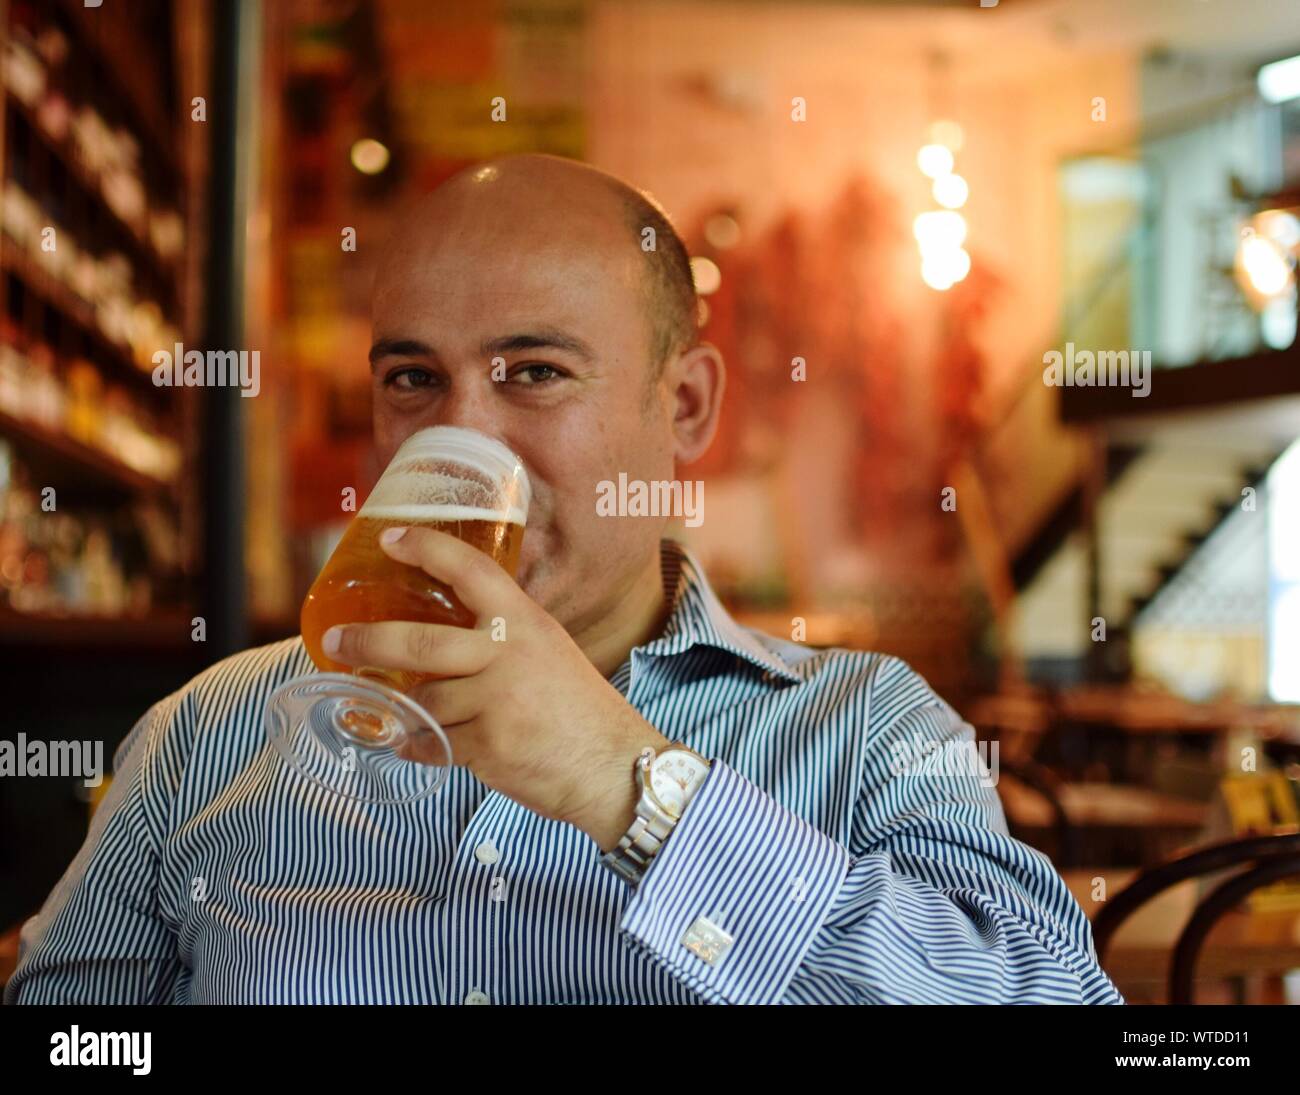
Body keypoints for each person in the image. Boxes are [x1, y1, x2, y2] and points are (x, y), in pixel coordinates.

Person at [5, 154, 1122, 1004]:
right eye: (412, 378)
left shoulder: (866, 727)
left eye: (534, 373)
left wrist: (628, 784)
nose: (457, 437)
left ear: (682, 407)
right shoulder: (208, 736)